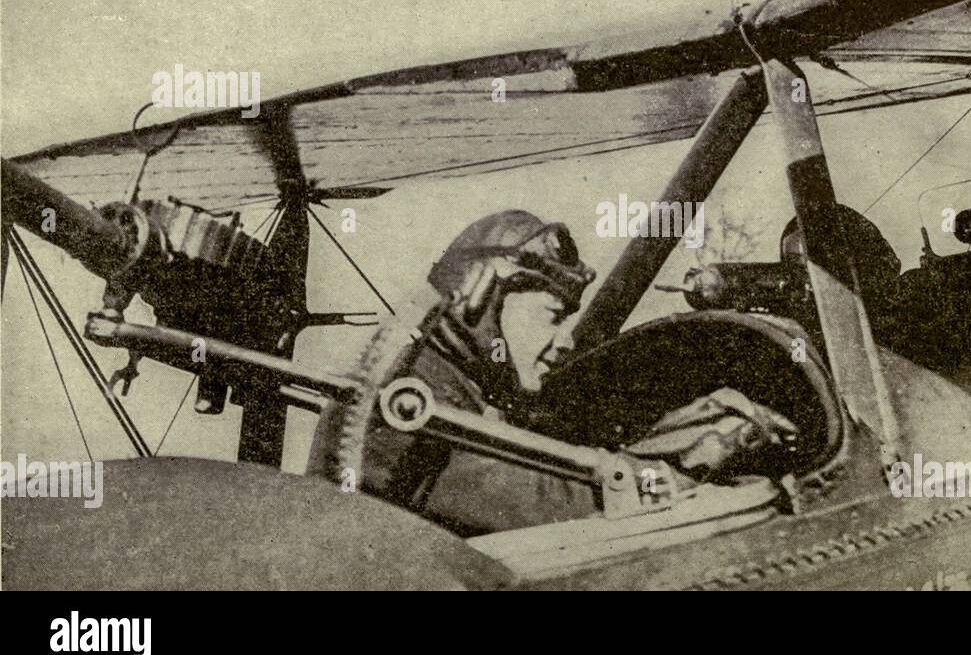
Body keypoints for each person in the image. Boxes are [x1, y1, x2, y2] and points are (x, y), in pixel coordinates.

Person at [309, 209, 794, 535]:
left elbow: (550, 460)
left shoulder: (450, 381)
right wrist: (695, 462)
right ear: (485, 301)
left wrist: (688, 431)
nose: (565, 340)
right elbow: (558, 505)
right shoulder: (409, 408)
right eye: (553, 315)